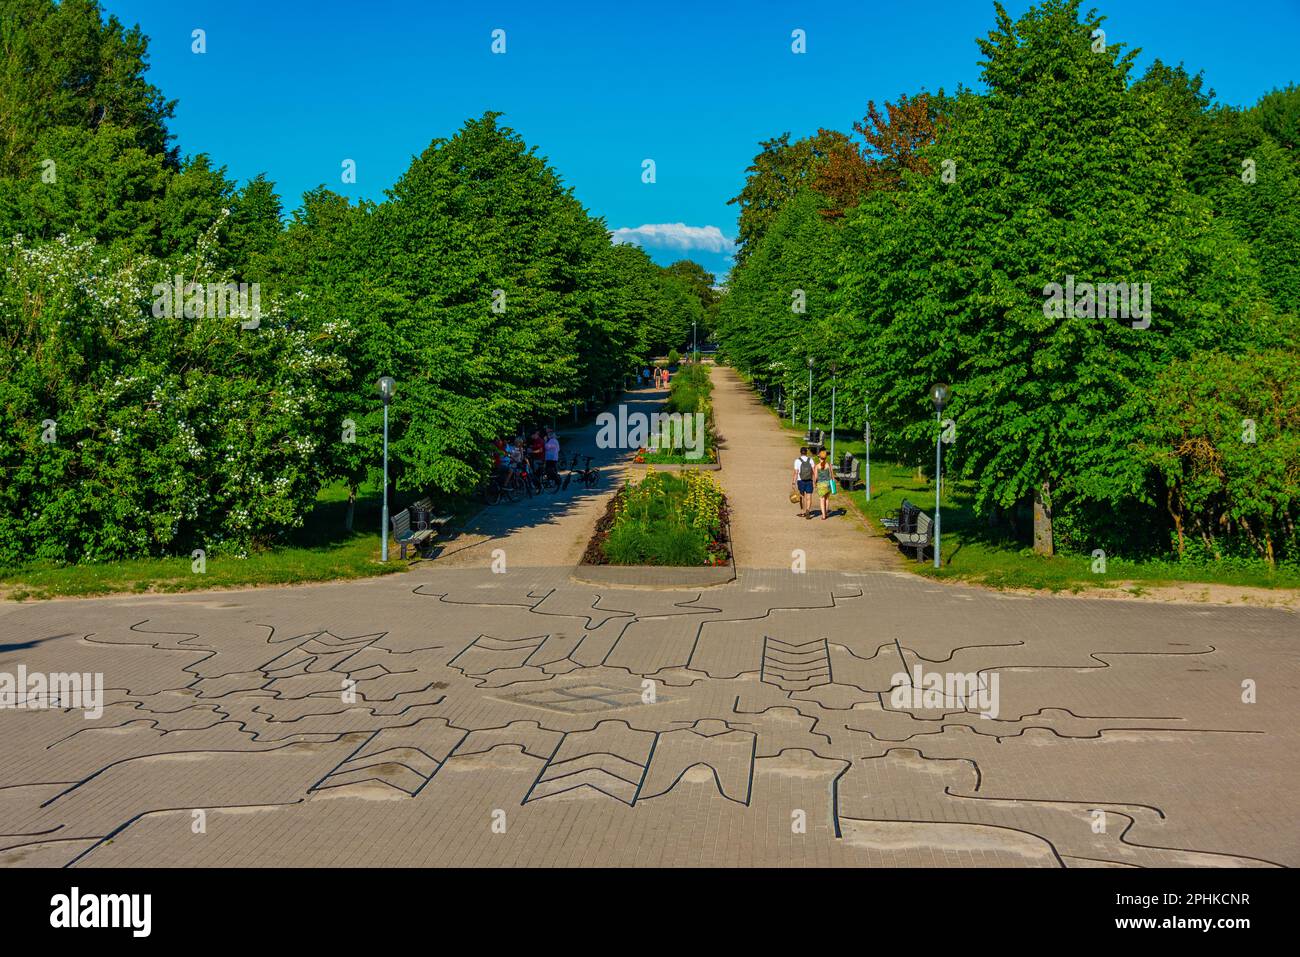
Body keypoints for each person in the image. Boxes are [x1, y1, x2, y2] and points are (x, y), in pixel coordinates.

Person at [793, 446, 815, 519]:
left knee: (802, 497)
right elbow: (814, 471)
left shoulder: (797, 461)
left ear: (800, 452)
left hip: (800, 481)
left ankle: (803, 512)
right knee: (809, 496)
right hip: (809, 480)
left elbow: (796, 472)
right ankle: (808, 510)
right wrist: (814, 481)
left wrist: (793, 482)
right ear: (806, 452)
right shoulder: (811, 460)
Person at [814, 449, 835, 520]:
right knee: (827, 499)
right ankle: (826, 513)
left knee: (822, 499)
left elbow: (816, 477)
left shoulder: (817, 466)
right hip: (828, 484)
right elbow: (832, 475)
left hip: (821, 485)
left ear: (819, 458)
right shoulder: (829, 465)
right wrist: (833, 482)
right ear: (826, 458)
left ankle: (823, 515)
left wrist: (814, 483)